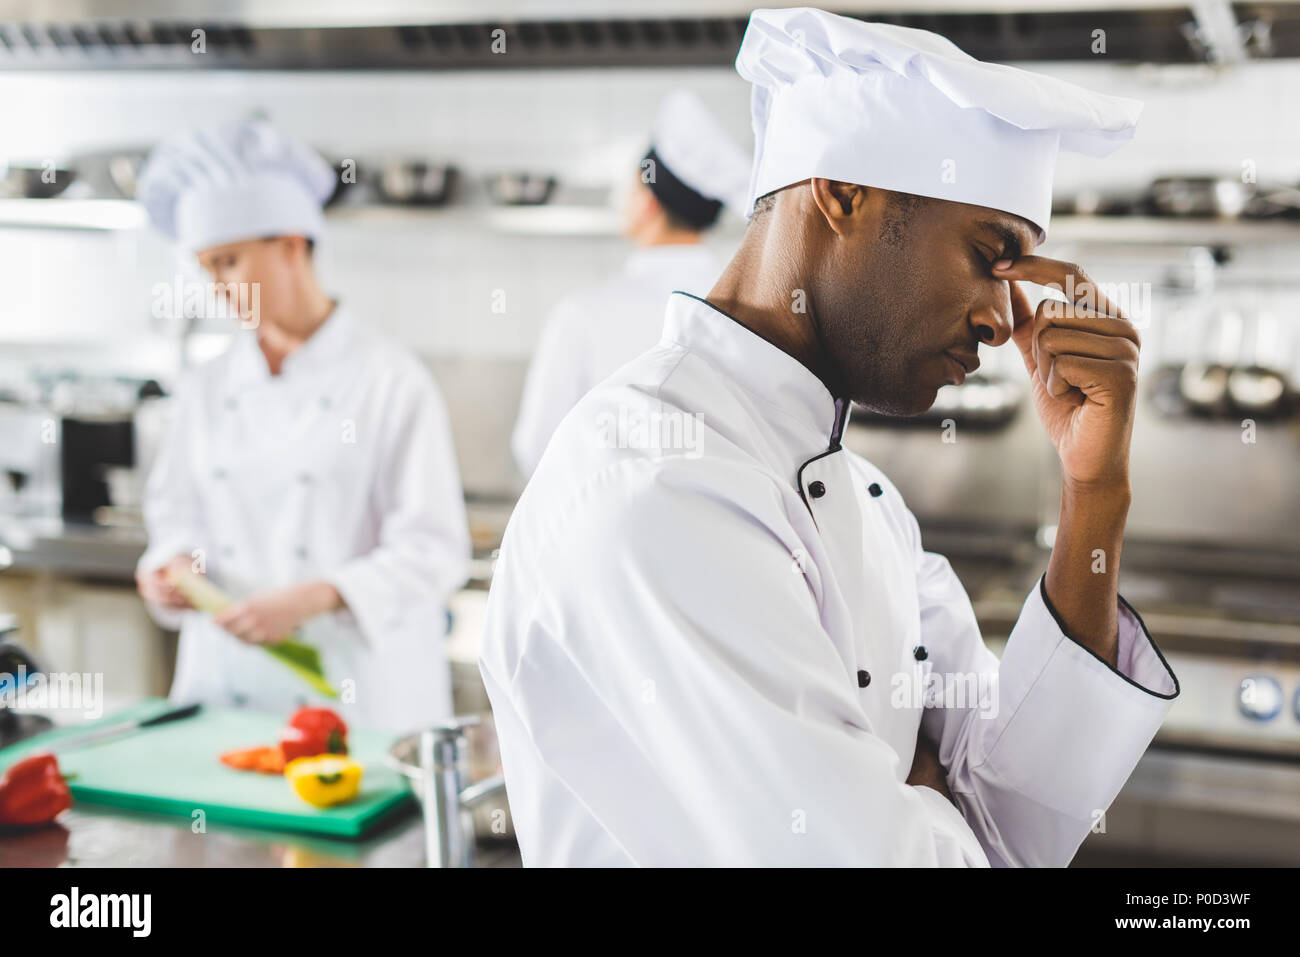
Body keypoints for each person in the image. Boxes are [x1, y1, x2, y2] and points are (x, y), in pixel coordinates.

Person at [479, 9, 1180, 866]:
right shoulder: (657, 484)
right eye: (989, 253)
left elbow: (1015, 830)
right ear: (844, 191)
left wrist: (1095, 493)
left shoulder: (866, 505)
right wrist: (919, 786)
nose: (1005, 320)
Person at [133, 117, 470, 732]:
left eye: (230, 261)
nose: (219, 288)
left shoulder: (390, 380)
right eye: (207, 268)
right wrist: (172, 567)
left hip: (355, 696)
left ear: (292, 244)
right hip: (225, 690)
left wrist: (312, 597)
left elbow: (434, 550)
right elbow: (174, 516)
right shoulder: (207, 385)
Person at [510, 89, 750, 477]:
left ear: (648, 202)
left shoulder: (581, 315)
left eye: (633, 184)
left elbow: (535, 452)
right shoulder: (748, 314)